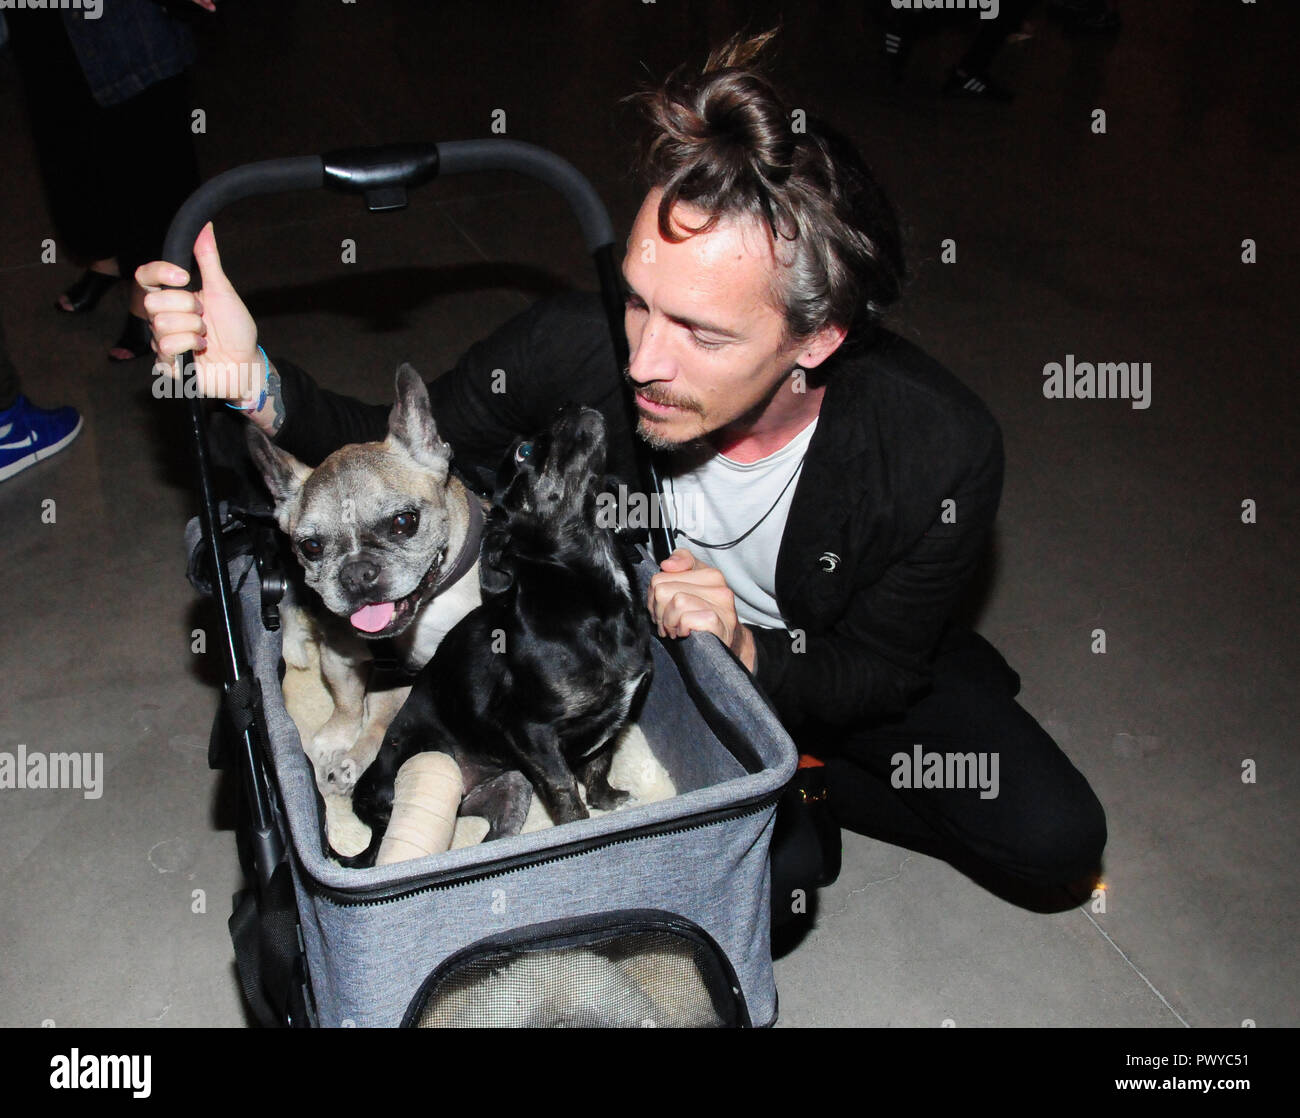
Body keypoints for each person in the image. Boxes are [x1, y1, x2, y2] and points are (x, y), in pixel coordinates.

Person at [138, 31, 1106, 929]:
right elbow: (407, 463)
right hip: (617, 646)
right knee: (761, 895)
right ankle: (790, 767)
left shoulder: (934, 447)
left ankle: (809, 751)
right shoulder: (577, 341)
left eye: (703, 332)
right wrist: (255, 379)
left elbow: (879, 671)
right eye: (640, 302)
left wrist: (745, 651)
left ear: (817, 338)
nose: (643, 357)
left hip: (813, 654)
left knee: (1053, 843)